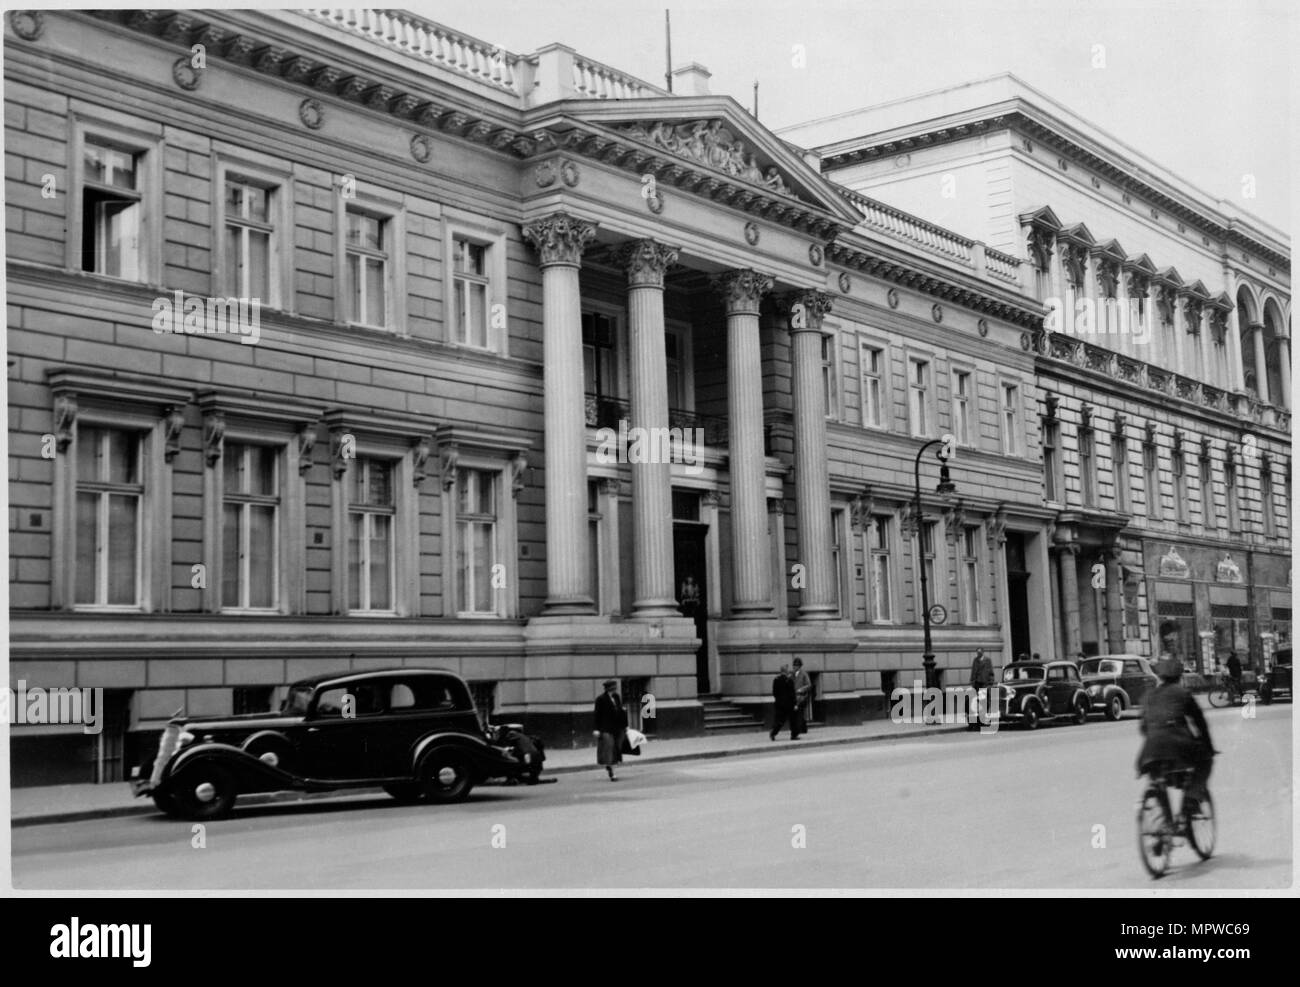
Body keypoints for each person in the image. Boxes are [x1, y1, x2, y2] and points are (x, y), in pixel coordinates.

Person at [1136, 657, 1217, 811]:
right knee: (1205, 762)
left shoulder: (1148, 696)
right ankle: (1192, 797)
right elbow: (1200, 723)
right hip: (1178, 747)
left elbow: (1143, 728)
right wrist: (1208, 747)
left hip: (1149, 753)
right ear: (1179, 676)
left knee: (1159, 780)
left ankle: (1164, 820)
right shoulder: (1183, 693)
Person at [592, 679, 627, 781]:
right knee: (609, 748)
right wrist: (596, 729)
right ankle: (612, 771)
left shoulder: (617, 697)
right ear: (608, 689)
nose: (615, 690)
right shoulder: (601, 699)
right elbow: (597, 715)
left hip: (617, 727)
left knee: (617, 747)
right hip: (606, 728)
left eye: (615, 688)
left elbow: (620, 711)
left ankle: (611, 765)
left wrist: (625, 725)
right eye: (613, 688)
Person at [968, 648, 995, 730]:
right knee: (978, 702)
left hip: (985, 684)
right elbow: (973, 671)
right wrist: (972, 682)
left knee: (985, 702)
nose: (978, 654)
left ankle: (986, 719)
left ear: (983, 652)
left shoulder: (988, 660)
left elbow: (991, 672)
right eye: (977, 652)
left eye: (980, 652)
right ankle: (979, 720)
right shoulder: (975, 660)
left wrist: (990, 682)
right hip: (977, 684)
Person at [770, 664, 796, 741]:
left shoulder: (776, 680)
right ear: (786, 671)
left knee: (779, 720)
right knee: (793, 719)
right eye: (788, 670)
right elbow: (792, 693)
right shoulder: (789, 680)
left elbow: (774, 692)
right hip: (789, 704)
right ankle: (793, 735)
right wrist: (794, 703)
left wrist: (778, 699)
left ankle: (773, 733)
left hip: (779, 703)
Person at [791, 658, 812, 739]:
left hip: (802, 696)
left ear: (799, 666)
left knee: (800, 712)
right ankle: (803, 728)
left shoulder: (804, 674)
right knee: (798, 713)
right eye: (794, 665)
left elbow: (808, 684)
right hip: (795, 696)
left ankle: (800, 728)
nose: (794, 667)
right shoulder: (792, 674)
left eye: (796, 665)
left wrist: (801, 689)